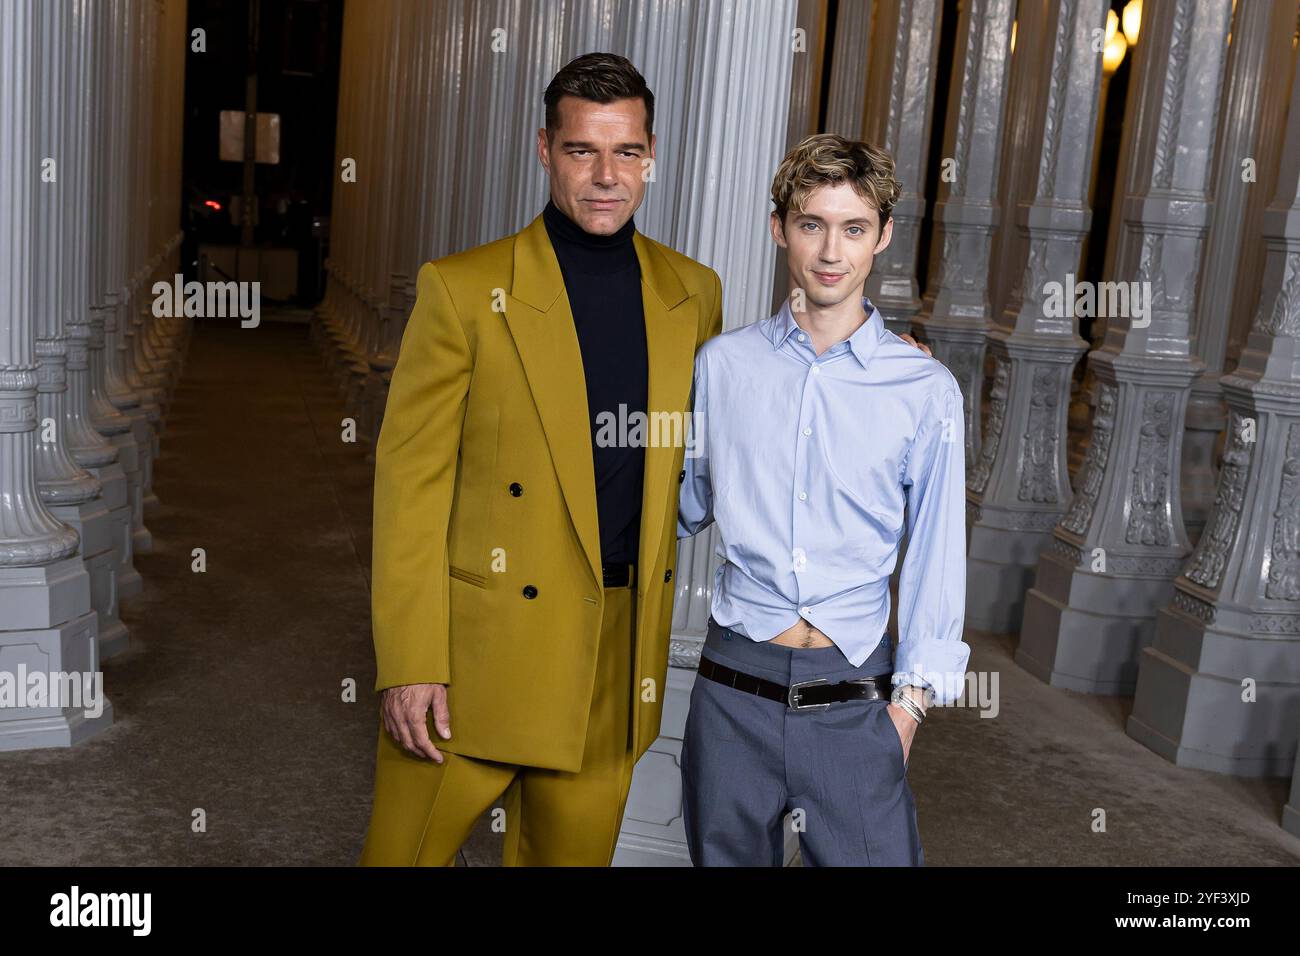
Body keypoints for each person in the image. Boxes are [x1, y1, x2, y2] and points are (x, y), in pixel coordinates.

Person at [676, 133, 970, 866]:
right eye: (812, 224)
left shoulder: (923, 388)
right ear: (780, 229)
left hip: (854, 704)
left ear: (883, 237)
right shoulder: (723, 366)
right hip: (731, 694)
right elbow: (679, 507)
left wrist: (907, 709)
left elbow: (937, 554)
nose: (831, 251)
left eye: (854, 228)